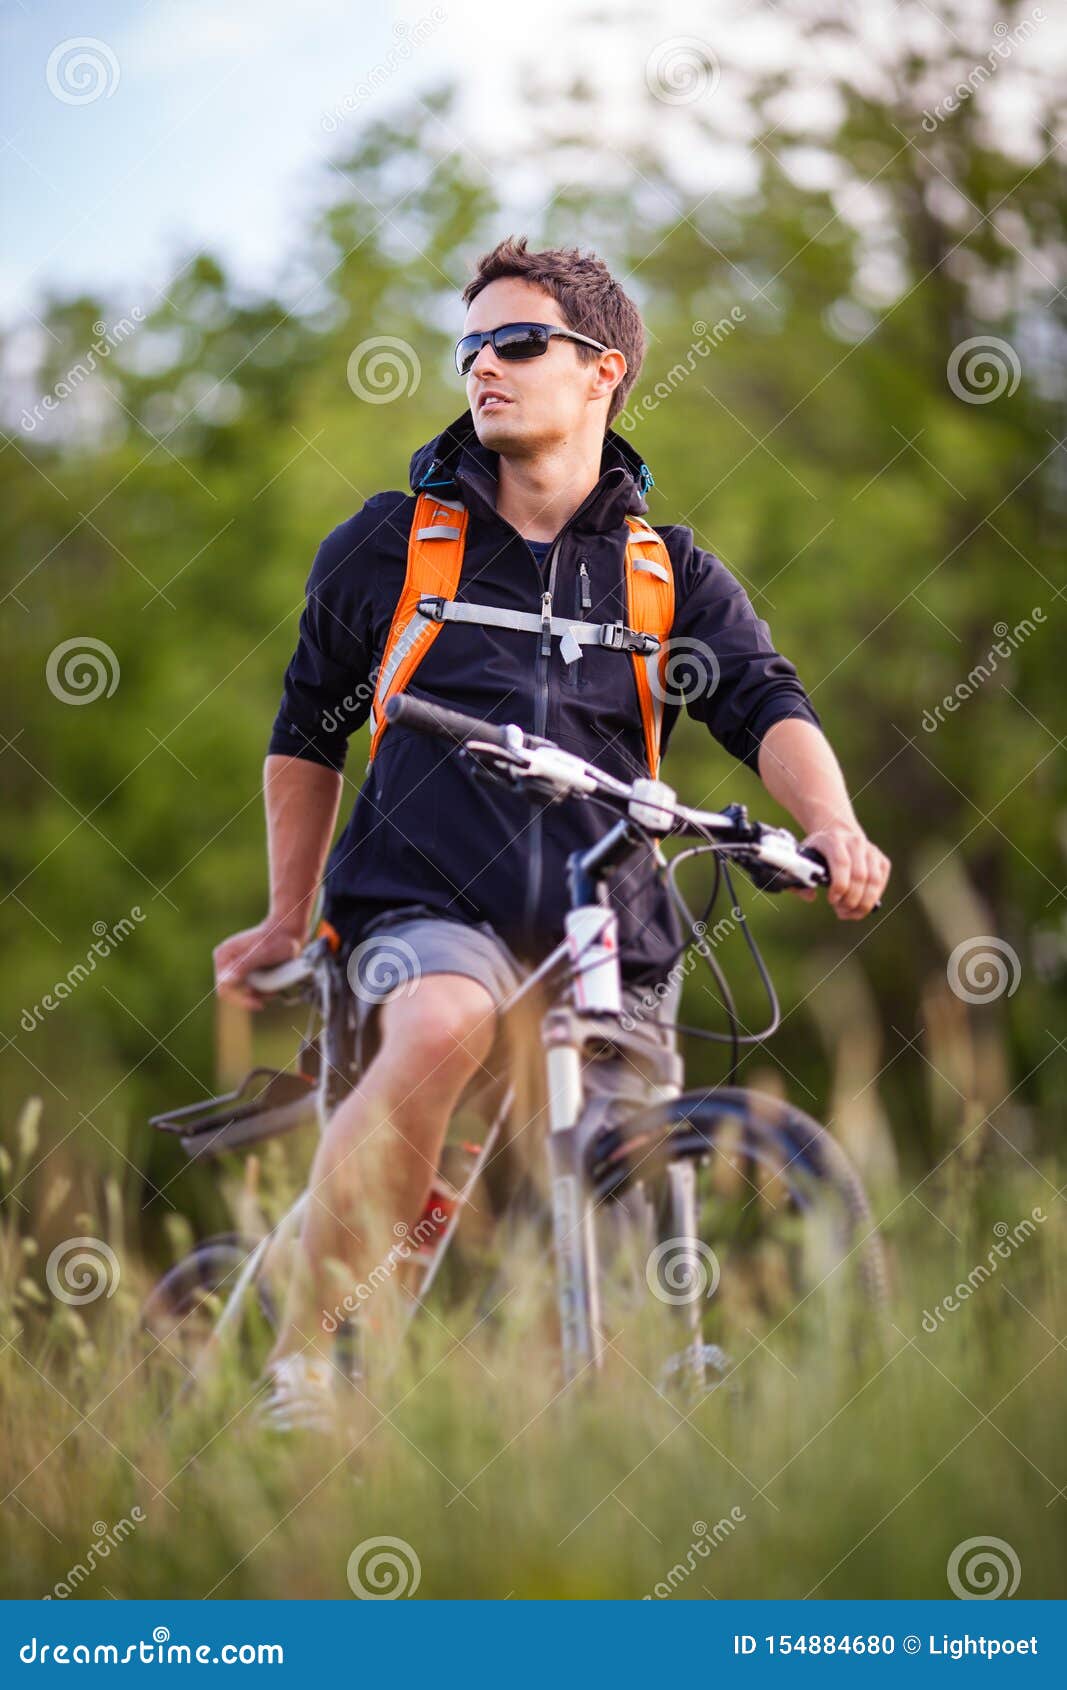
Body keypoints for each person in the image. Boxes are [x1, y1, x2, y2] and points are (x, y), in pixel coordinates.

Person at [213, 236, 891, 1432]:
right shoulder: (392, 542)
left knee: (595, 1228)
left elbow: (765, 703)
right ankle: (306, 1370)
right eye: (470, 345)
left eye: (517, 341)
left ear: (603, 371)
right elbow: (304, 737)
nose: (484, 365)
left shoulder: (664, 572)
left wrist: (828, 824)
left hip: (607, 930)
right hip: (420, 903)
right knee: (443, 1022)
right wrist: (284, 910)